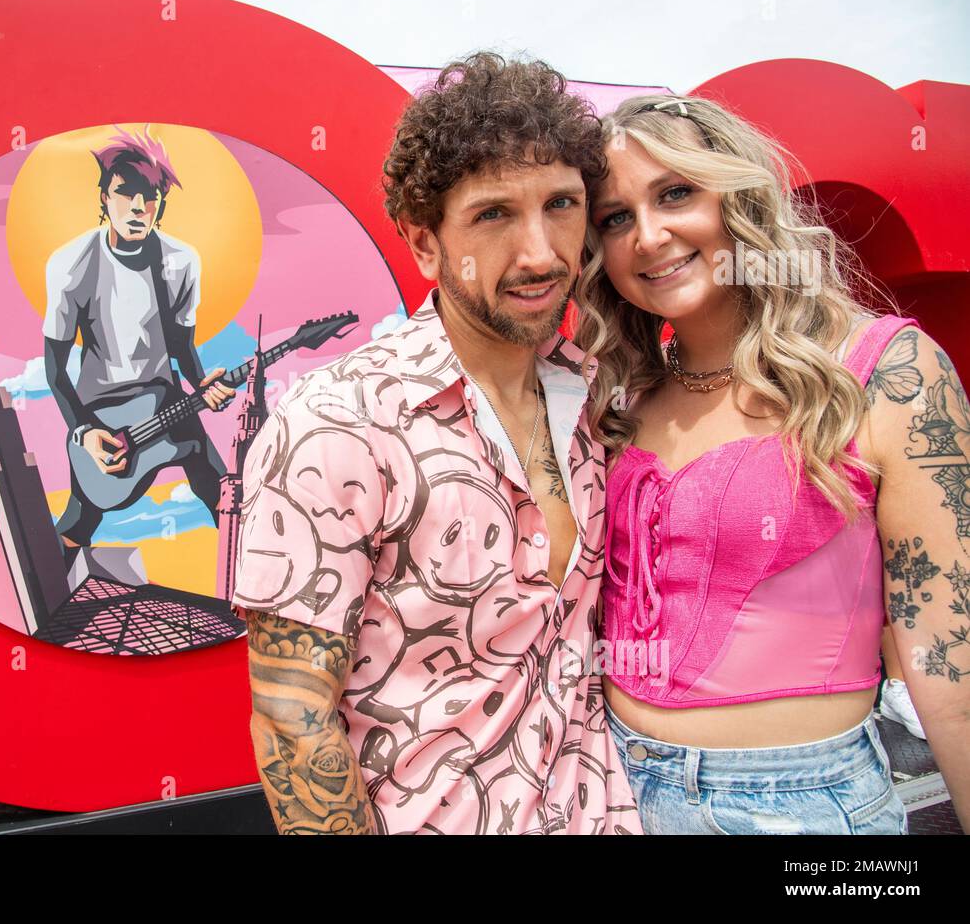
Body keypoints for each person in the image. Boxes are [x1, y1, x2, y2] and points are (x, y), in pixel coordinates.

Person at [231, 52, 642, 834]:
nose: (540, 253)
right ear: (425, 244)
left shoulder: (595, 397)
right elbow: (291, 723)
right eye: (493, 215)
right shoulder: (340, 420)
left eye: (561, 205)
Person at [574, 93, 970, 833]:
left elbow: (953, 659)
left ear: (741, 197)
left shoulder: (884, 370)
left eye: (676, 193)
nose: (649, 237)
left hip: (799, 809)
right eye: (615, 219)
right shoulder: (622, 396)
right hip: (611, 791)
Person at [42, 127, 235, 558]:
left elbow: (182, 346)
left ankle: (248, 586)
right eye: (124, 192)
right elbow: (53, 367)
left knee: (219, 490)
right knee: (82, 516)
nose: (137, 207)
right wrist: (84, 431)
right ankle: (47, 597)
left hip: (166, 400)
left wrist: (203, 385)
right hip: (101, 416)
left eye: (149, 196)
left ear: (160, 204)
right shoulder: (72, 263)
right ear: (104, 198)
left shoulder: (180, 262)